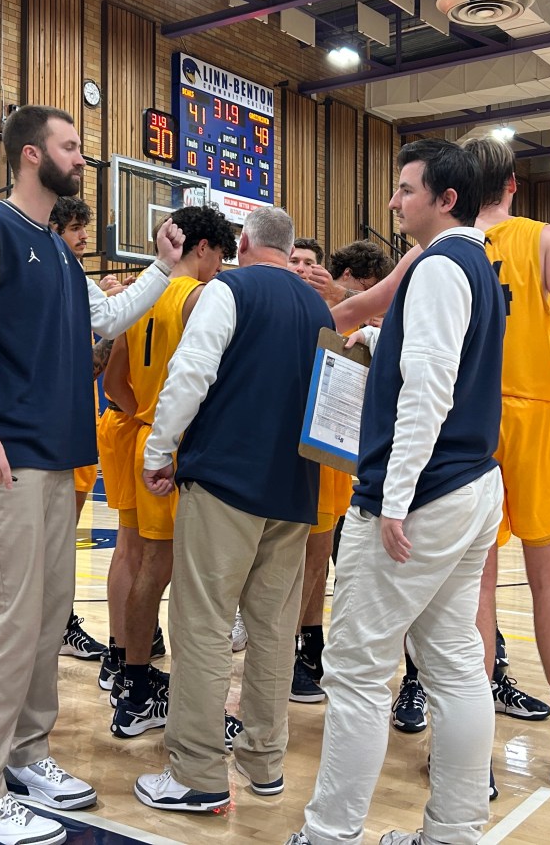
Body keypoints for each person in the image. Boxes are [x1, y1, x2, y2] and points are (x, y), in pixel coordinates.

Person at [329, 136, 550, 793]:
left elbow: (359, 309)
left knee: (470, 593)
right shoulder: (543, 239)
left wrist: (291, 311)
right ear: (513, 186)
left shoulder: (431, 251)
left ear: (457, 190)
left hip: (462, 424)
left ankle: (471, 763)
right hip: (532, 419)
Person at [0, 105, 185, 845]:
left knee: (45, 615)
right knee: (14, 619)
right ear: (32, 156)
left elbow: (109, 317)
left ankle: (27, 755)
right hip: (9, 457)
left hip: (57, 459)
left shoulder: (58, 250)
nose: (82, 158)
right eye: (71, 146)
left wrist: (161, 266)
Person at [289, 137, 507, 845]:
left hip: (425, 494)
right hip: (472, 488)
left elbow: (431, 388)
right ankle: (453, 832)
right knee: (454, 666)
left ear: (446, 199)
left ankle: (329, 834)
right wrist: (377, 345)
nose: (393, 201)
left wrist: (394, 497)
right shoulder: (475, 262)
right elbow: (439, 358)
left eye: (406, 189)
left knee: (354, 673)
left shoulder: (443, 265)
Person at [134, 206, 333, 813]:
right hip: (295, 489)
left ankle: (197, 774)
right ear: (289, 247)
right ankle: (265, 764)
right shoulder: (317, 308)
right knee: (274, 631)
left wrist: (159, 449)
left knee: (203, 623)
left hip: (225, 480)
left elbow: (190, 372)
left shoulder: (227, 288)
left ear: (242, 243)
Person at [106, 205, 238, 739]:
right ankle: (156, 694)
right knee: (174, 573)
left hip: (137, 433)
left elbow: (114, 382)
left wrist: (143, 410)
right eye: (218, 258)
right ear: (203, 248)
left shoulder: (138, 292)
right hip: (176, 446)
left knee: (137, 559)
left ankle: (130, 676)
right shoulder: (199, 296)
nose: (219, 269)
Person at [287, 237, 393, 704]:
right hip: (297, 445)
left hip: (339, 451)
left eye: (312, 262)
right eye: (297, 262)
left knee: (319, 556)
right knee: (295, 559)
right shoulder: (299, 309)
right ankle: (287, 652)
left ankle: (310, 643)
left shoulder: (362, 320)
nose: (305, 269)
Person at [49, 195, 114, 662]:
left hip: (75, 429)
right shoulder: (38, 279)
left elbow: (91, 363)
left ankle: (60, 623)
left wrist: (110, 335)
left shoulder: (79, 284)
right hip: (33, 435)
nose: (84, 238)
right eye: (75, 228)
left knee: (61, 541)